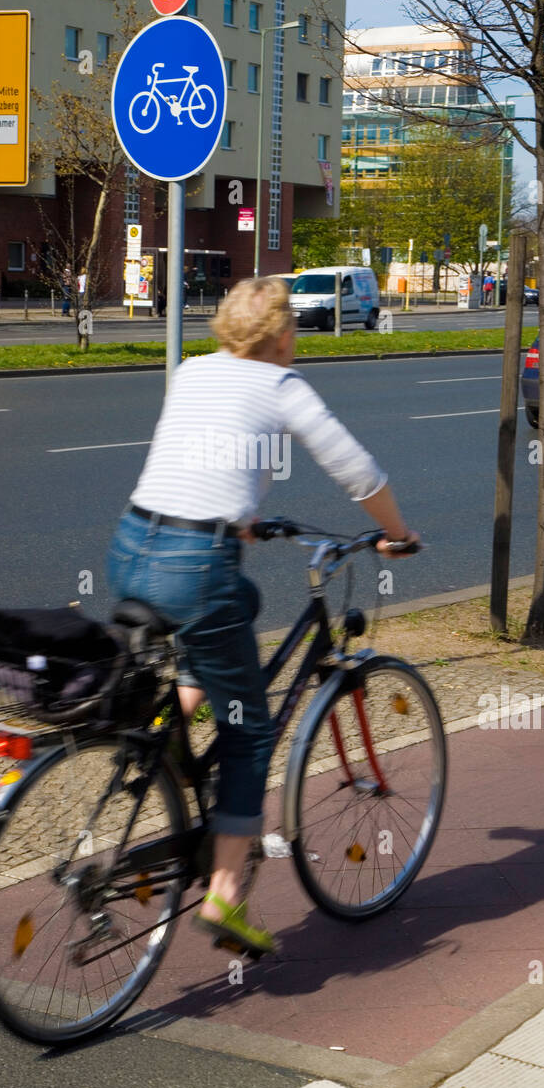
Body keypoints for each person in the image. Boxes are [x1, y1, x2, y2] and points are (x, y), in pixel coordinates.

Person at [105, 277, 419, 955]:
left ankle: (169, 723)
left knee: (237, 606)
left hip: (132, 544)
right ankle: (225, 901)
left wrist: (239, 516)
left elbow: (200, 450)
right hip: (196, 563)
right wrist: (396, 532)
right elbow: (357, 473)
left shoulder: (192, 369)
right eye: (294, 331)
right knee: (249, 732)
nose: (295, 341)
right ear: (282, 334)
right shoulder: (283, 385)